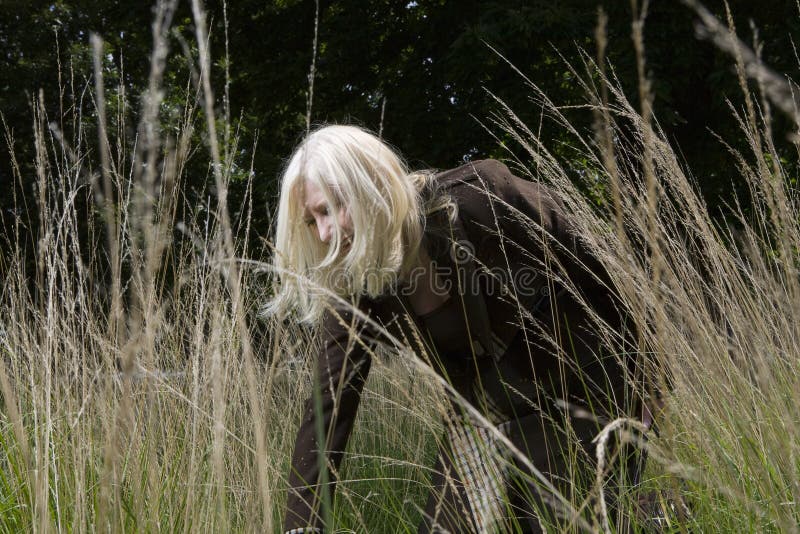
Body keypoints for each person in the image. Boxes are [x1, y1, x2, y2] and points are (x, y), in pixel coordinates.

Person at [267, 124, 643, 533]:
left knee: (575, 520)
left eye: (330, 208)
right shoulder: (360, 277)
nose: (324, 234)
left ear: (371, 185)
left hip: (579, 387)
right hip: (483, 409)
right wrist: (301, 527)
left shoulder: (482, 197)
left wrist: (648, 385)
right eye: (311, 220)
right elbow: (330, 402)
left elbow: (599, 278)